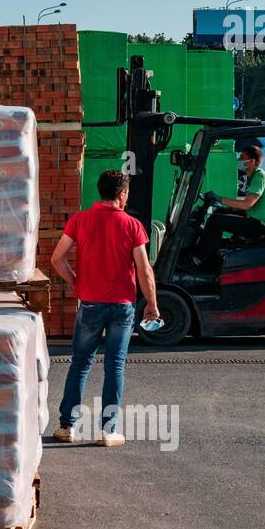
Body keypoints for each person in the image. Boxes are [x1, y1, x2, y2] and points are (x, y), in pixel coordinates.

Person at [50, 169, 159, 447]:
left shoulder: (80, 220)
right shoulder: (132, 225)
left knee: (80, 364)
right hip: (122, 306)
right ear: (122, 194)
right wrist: (152, 306)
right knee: (114, 366)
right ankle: (108, 431)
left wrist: (76, 281)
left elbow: (57, 259)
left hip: (89, 303)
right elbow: (144, 270)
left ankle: (66, 427)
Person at [190, 144, 265, 267]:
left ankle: (197, 259)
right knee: (220, 213)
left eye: (242, 158)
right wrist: (224, 207)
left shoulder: (260, 177)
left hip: (259, 227)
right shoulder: (255, 176)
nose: (239, 160)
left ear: (252, 161)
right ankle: (208, 251)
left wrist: (220, 198)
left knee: (216, 221)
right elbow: (246, 205)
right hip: (255, 220)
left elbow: (247, 204)